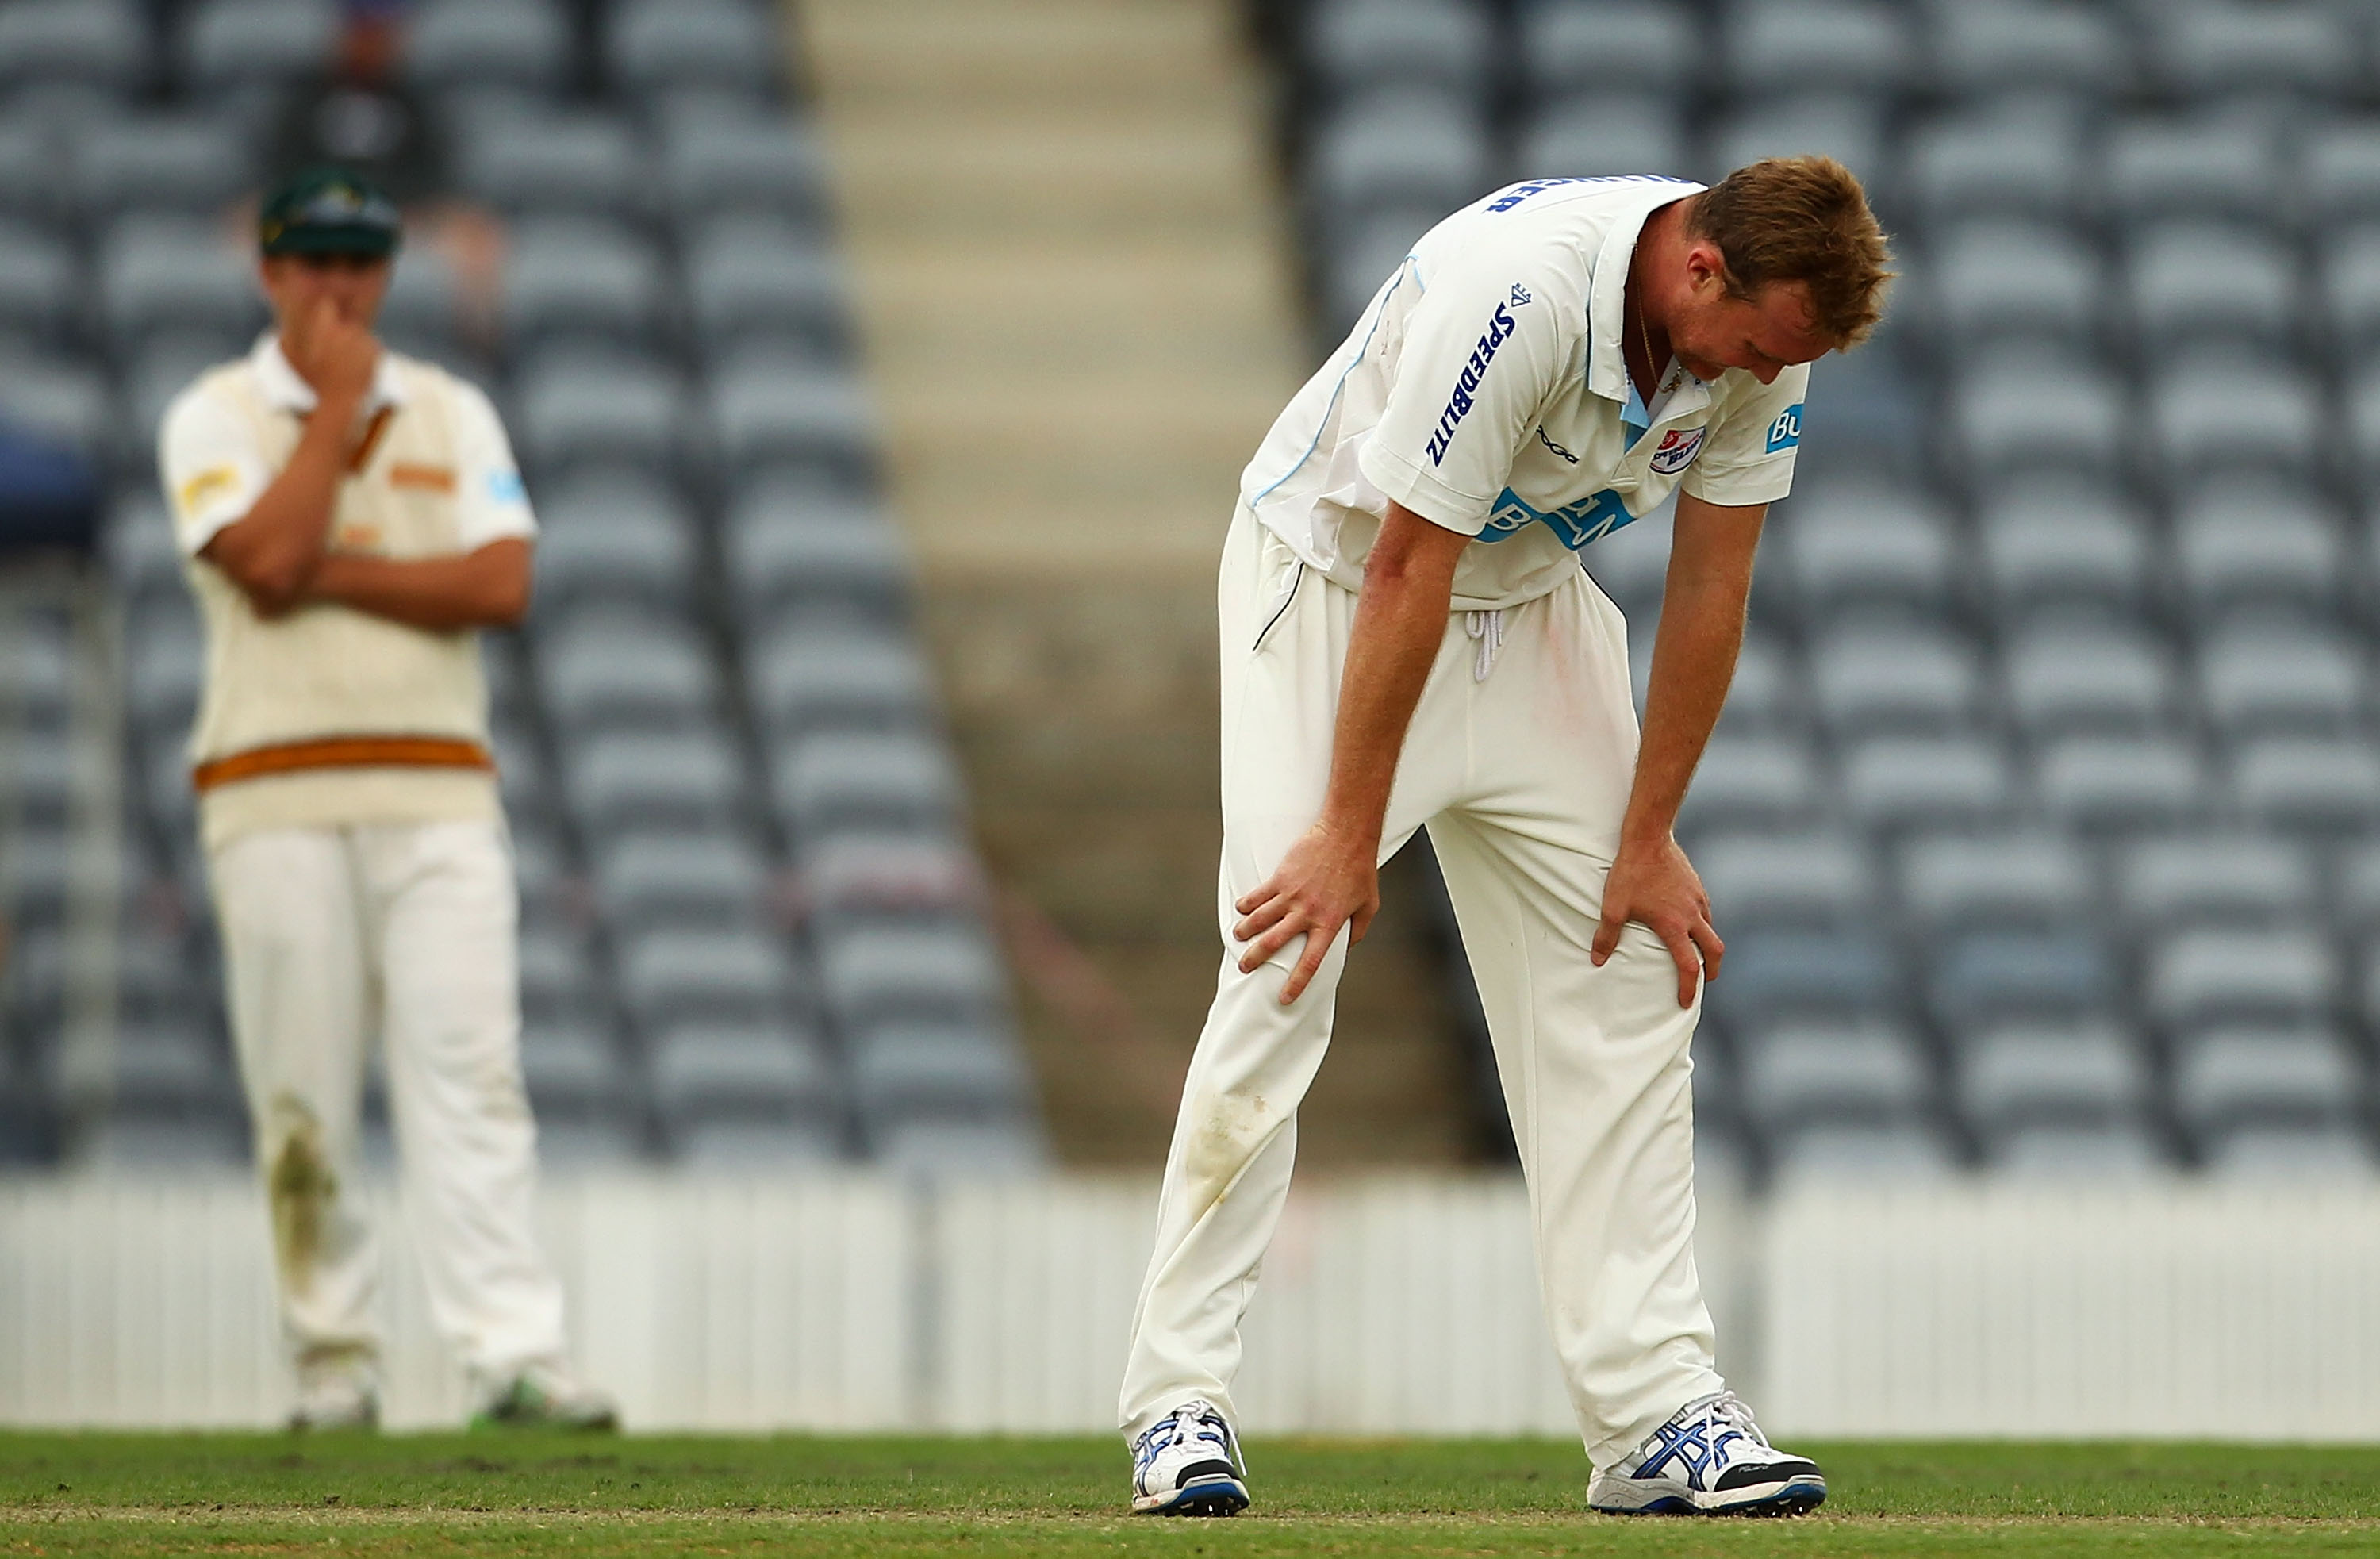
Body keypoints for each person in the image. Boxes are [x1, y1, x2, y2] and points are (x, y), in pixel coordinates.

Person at [1119, 159, 1891, 1517]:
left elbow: (1717, 583)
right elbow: (1412, 564)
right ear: (1701, 270)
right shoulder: (1521, 296)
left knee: (1637, 959)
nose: (1771, 376)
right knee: (1283, 960)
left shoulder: (1773, 338)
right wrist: (1348, 833)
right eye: (1767, 347)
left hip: (1530, 600)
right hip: (1340, 588)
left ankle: (1654, 1416)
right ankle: (1178, 1402)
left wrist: (1648, 835)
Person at [155, 167, 612, 1433]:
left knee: (472, 1075)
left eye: (361, 263)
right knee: (300, 1094)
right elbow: (258, 567)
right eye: (314, 262)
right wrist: (340, 412)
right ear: (270, 271)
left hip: (438, 789)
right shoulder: (213, 413)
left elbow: (500, 585)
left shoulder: (455, 410)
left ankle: (513, 1355)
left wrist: (330, 567)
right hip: (271, 791)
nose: (339, 289)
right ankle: (333, 1361)